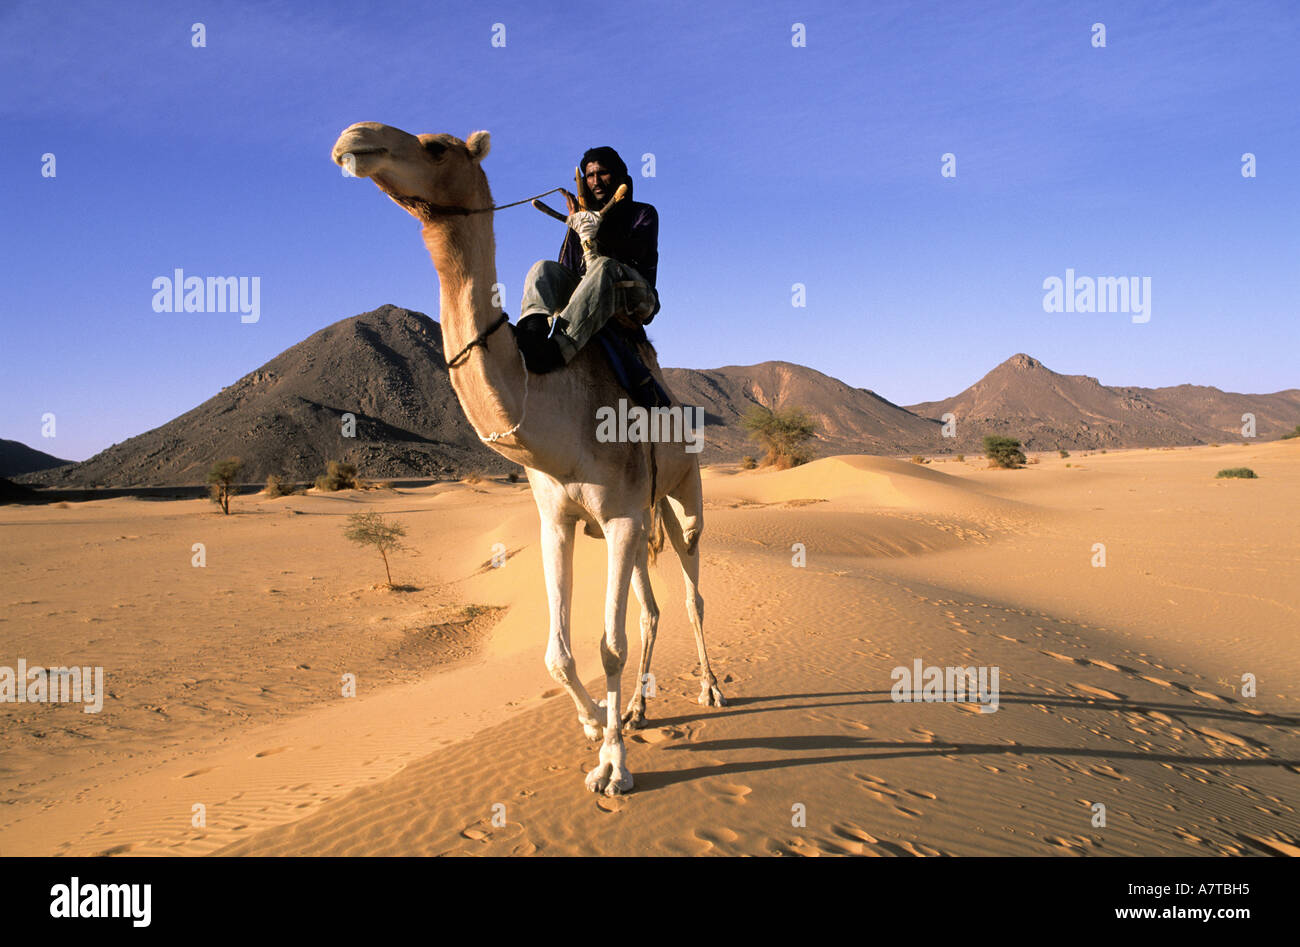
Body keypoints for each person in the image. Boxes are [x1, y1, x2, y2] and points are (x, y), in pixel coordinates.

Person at [514, 146, 659, 373]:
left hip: (635, 296)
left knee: (604, 266)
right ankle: (532, 332)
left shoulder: (644, 213)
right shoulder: (581, 221)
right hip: (591, 292)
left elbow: (638, 253)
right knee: (542, 269)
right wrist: (578, 228)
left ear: (620, 176)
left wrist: (596, 231)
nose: (596, 181)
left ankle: (557, 350)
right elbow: (566, 268)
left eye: (603, 173)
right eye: (590, 176)